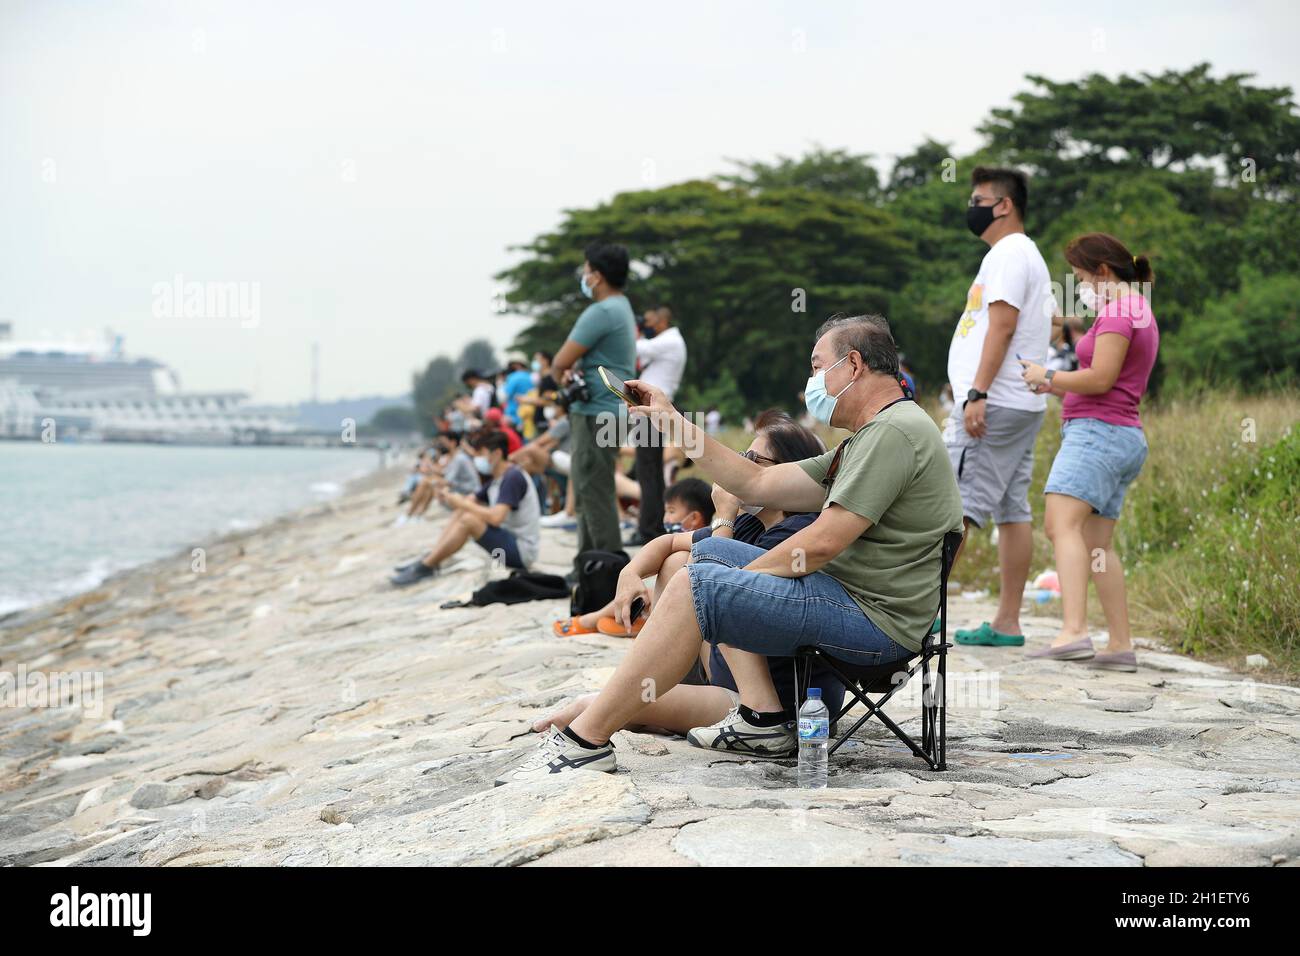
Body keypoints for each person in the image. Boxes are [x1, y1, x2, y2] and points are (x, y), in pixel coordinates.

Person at [496, 315, 964, 783]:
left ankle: (585, 742)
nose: (812, 383)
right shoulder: (868, 438)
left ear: (854, 365)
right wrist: (670, 419)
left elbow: (822, 542)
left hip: (873, 623)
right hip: (852, 601)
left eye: (818, 366)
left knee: (698, 582)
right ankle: (760, 720)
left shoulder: (893, 434)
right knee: (704, 558)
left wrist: (737, 582)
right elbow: (754, 480)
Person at [536, 411, 847, 740]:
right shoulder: (754, 522)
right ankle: (668, 683)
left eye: (752, 458)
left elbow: (722, 589)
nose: (738, 464)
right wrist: (630, 573)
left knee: (601, 705)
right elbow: (668, 542)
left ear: (787, 473)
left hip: (780, 698)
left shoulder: (797, 532)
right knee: (677, 561)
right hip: (726, 675)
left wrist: (725, 515)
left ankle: (741, 714)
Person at [1018, 234, 1158, 672]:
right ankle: (1119, 644)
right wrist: (1055, 384)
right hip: (1119, 435)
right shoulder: (1137, 310)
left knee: (1061, 524)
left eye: (1080, 276)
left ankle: (1073, 631)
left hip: (1098, 436)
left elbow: (1099, 379)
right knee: (1098, 545)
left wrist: (1051, 376)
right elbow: (1109, 384)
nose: (1079, 286)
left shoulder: (1119, 311)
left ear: (1101, 270)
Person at [946, 166, 1053, 649]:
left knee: (954, 507)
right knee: (1012, 509)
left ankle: (920, 614)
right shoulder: (1022, 254)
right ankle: (1007, 621)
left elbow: (1003, 326)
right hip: (1020, 404)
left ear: (1004, 205)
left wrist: (978, 392)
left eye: (978, 198)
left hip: (994, 405)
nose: (972, 206)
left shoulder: (1010, 253)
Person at [550, 241, 637, 555]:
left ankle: (607, 568)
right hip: (613, 410)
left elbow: (559, 361)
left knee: (594, 493)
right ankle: (588, 565)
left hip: (594, 412)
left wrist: (564, 377)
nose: (584, 277)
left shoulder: (601, 311)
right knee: (591, 491)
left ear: (597, 276)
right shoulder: (623, 306)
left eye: (586, 270)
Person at [552, 477, 714, 638]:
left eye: (671, 511)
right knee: (643, 594)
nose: (665, 518)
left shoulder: (705, 542)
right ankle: (613, 619)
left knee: (649, 592)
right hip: (674, 605)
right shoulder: (686, 538)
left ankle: (590, 621)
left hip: (688, 610)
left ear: (694, 518)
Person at [390, 430, 540, 587]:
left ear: (496, 453)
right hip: (505, 547)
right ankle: (431, 558)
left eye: (481, 454)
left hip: (520, 555)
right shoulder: (498, 479)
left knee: (469, 519)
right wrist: (451, 498)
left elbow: (497, 518)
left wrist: (463, 503)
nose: (477, 460)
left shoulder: (512, 477)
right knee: (463, 511)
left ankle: (427, 566)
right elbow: (471, 499)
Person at [626, 306, 688, 547]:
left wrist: (633, 330)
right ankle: (652, 526)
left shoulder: (669, 341)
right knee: (650, 474)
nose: (647, 323)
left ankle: (648, 529)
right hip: (651, 413)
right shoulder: (667, 341)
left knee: (647, 474)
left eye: (649, 319)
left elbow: (636, 347)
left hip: (652, 413)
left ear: (662, 320)